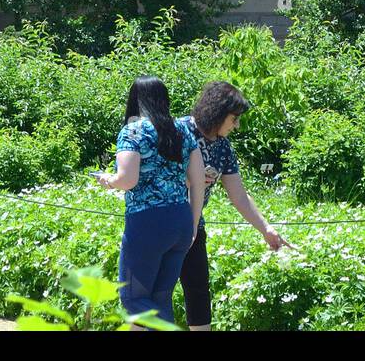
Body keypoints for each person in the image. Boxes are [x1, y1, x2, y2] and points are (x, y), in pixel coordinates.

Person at [177, 80, 290, 331]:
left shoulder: (223, 148)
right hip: (163, 222)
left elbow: (238, 195)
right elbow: (152, 173)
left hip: (194, 226)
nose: (236, 126)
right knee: (155, 291)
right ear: (218, 112)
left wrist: (266, 229)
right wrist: (190, 179)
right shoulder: (178, 131)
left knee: (198, 291)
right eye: (234, 119)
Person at [98, 75, 204, 326]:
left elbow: (128, 180)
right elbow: (198, 181)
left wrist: (108, 180)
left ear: (135, 100)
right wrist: (193, 224)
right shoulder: (184, 131)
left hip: (147, 222)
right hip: (180, 220)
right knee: (160, 297)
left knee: (133, 298)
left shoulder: (132, 131)